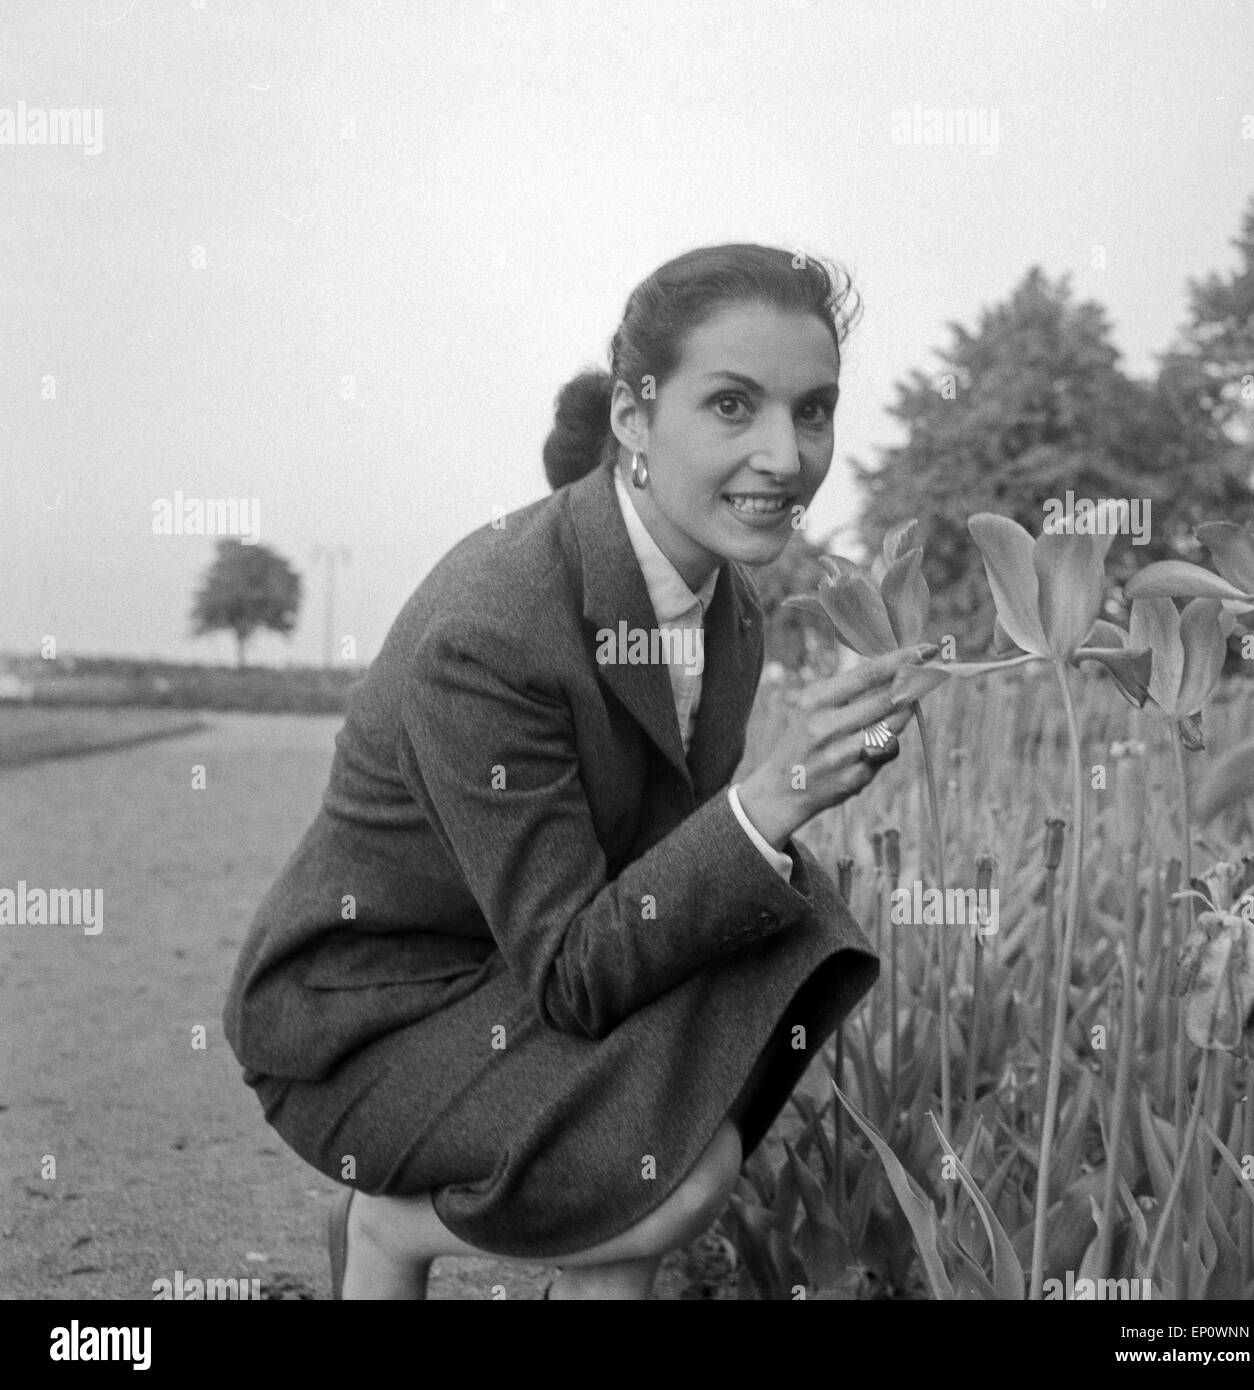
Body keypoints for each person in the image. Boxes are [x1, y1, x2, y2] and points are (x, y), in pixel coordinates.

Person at [222, 242, 929, 1299]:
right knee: (675, 1186)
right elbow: (575, 967)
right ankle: (389, 1231)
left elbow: (643, 900)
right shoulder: (495, 627)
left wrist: (756, 824)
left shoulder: (729, 609)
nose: (786, 456)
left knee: (687, 1138)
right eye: (731, 406)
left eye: (814, 410)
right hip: (370, 1021)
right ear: (634, 420)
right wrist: (774, 797)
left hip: (529, 978)